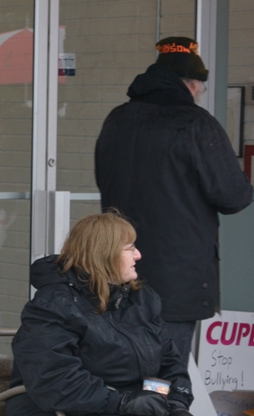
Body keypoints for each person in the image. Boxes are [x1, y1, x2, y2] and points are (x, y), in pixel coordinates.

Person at [7, 212, 206, 416]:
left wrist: (174, 406)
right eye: (130, 248)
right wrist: (123, 402)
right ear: (103, 254)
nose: (138, 255)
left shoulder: (141, 299)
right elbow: (53, 379)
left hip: (121, 413)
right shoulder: (54, 303)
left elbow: (168, 363)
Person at [95, 37, 253, 366]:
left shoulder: (117, 119)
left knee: (123, 369)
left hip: (115, 267)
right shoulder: (195, 123)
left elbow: (104, 178)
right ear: (192, 85)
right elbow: (233, 196)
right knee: (167, 374)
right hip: (176, 281)